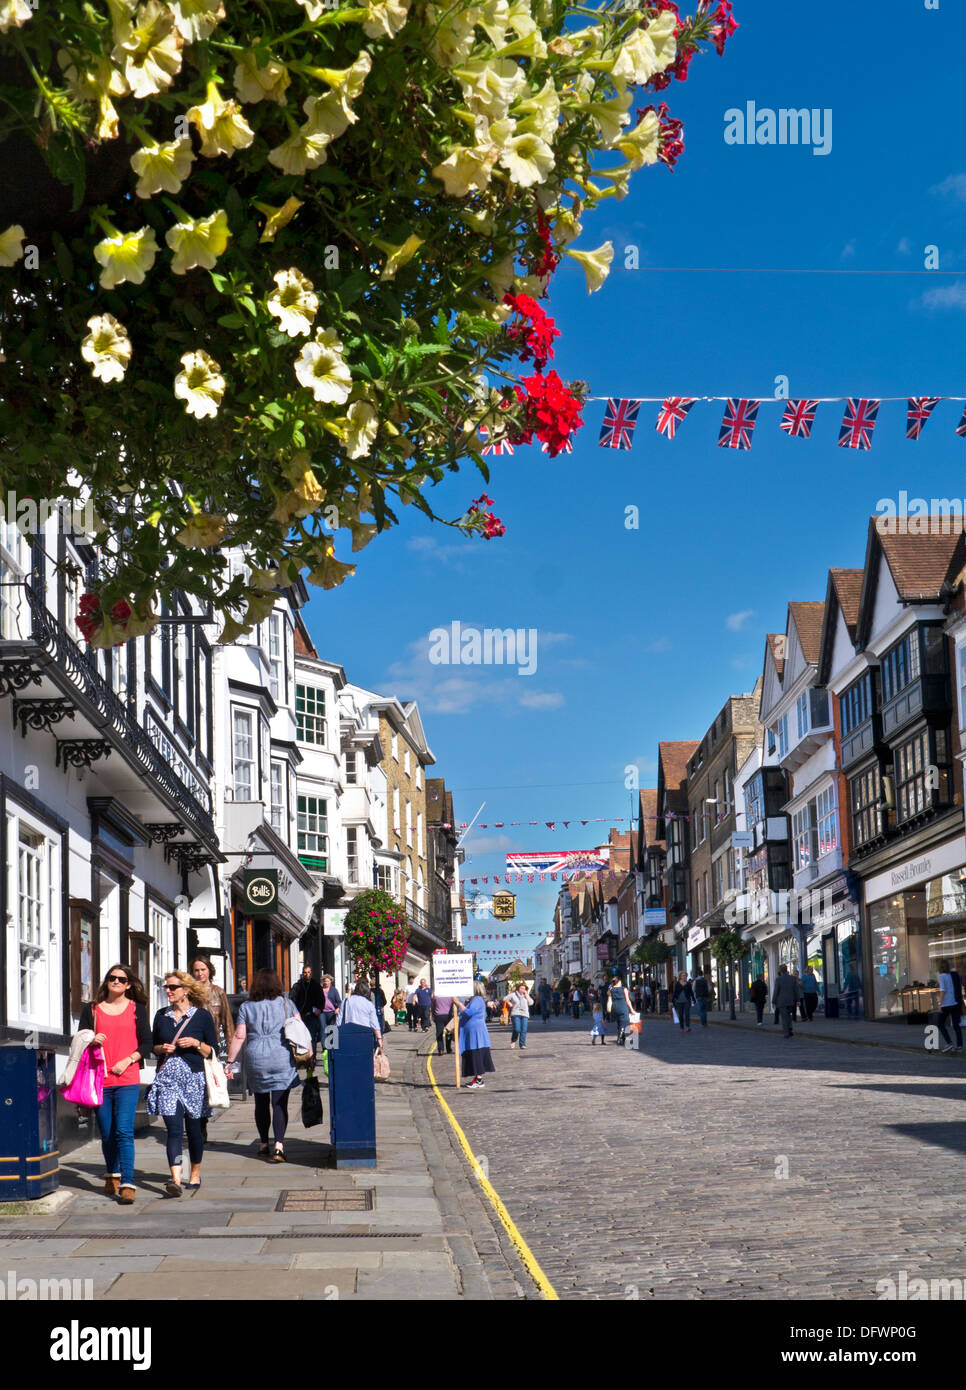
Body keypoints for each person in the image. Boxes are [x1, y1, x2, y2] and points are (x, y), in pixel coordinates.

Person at [81, 964, 153, 1205]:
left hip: (127, 1078)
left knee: (124, 1130)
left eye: (121, 980)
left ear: (129, 984)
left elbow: (147, 1044)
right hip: (99, 1080)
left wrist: (128, 1060)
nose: (116, 982)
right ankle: (112, 1173)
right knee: (107, 1132)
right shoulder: (91, 1010)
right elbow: (79, 1041)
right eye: (112, 978)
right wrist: (91, 1040)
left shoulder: (137, 1009)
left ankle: (128, 1182)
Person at [149, 971, 218, 1196]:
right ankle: (176, 1179)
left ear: (186, 991)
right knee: (173, 1129)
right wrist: (162, 1048)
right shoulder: (161, 1015)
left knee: (195, 1131)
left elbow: (213, 1051)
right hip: (168, 1079)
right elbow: (153, 1047)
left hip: (194, 1080)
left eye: (173, 987)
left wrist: (196, 1043)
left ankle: (195, 1171)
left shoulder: (202, 1017)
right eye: (166, 988)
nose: (168, 991)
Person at [224, 968, 299, 1163]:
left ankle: (264, 1144)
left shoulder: (247, 1007)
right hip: (281, 1056)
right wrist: (306, 1054)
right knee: (279, 1103)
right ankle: (279, 1146)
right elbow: (300, 1029)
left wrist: (230, 1062)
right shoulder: (287, 1004)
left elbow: (240, 1036)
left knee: (261, 1102)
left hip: (256, 1057)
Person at [457, 983, 495, 1088]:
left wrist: (458, 1003)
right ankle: (477, 1078)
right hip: (473, 1032)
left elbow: (469, 1012)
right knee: (475, 1053)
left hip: (476, 1032)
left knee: (477, 1053)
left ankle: (479, 1080)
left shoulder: (477, 999)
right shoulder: (474, 1000)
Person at [337, 980, 385, 1056]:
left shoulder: (345, 1002)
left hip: (348, 1036)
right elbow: (374, 1024)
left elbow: (339, 1022)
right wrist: (379, 1039)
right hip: (364, 1037)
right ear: (367, 991)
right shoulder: (369, 1004)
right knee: (364, 1061)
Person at [290, 964, 325, 1056]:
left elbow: (322, 1000)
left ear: (311, 973)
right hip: (299, 1016)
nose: (307, 974)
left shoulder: (316, 986)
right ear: (302, 974)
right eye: (305, 973)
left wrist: (319, 1010)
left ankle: (312, 1058)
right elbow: (291, 999)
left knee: (311, 1038)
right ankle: (301, 1059)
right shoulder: (297, 986)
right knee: (299, 1038)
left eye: (309, 972)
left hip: (312, 1016)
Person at [937, 959, 964, 1053]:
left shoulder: (941, 976)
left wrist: (940, 1004)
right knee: (956, 1025)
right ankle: (960, 1046)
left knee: (940, 1024)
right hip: (955, 1003)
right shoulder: (951, 975)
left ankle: (949, 1043)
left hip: (946, 1003)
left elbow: (943, 990)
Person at [773, 964, 799, 1039]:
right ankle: (790, 1027)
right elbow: (796, 990)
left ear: (780, 971)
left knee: (784, 1016)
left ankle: (786, 1032)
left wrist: (774, 1001)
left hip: (782, 1001)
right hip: (791, 1000)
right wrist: (798, 1000)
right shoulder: (792, 978)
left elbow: (776, 991)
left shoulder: (778, 979)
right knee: (788, 1015)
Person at [508, 980, 534, 1050]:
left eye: (524, 988)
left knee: (524, 1030)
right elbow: (506, 999)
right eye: (521, 988)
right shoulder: (513, 995)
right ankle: (513, 1040)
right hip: (515, 1013)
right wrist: (509, 1003)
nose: (522, 990)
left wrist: (526, 995)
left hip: (525, 1014)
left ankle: (522, 1044)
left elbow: (531, 1003)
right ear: (518, 989)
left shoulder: (526, 995)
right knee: (517, 1029)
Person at [607, 973, 632, 1044]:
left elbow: (608, 994)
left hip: (614, 1007)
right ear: (619, 981)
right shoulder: (624, 989)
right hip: (622, 1007)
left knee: (619, 1023)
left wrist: (612, 985)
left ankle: (623, 1038)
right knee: (624, 1023)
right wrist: (632, 1009)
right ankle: (619, 1038)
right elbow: (627, 1000)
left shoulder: (611, 989)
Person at [432, 990, 455, 1055]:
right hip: (448, 1015)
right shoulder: (450, 995)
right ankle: (448, 1048)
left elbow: (433, 1006)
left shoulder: (436, 995)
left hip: (438, 1015)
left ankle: (440, 1049)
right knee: (448, 1032)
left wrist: (433, 1015)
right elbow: (453, 1005)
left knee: (439, 1033)